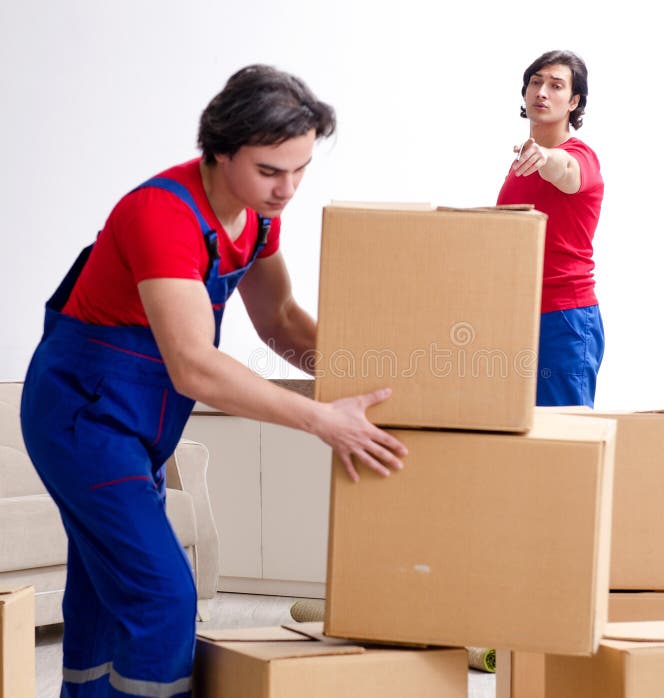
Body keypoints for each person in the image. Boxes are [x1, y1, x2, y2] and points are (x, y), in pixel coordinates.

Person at [20, 64, 407, 698]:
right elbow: (194, 365)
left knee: (105, 591)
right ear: (221, 150)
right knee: (162, 596)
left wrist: (371, 382)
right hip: (82, 418)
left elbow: (280, 319)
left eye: (301, 169)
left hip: (136, 421)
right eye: (270, 170)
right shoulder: (162, 215)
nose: (287, 189)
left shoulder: (256, 218)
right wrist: (321, 418)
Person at [496, 49, 604, 407]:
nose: (542, 92)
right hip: (520, 314)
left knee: (562, 433)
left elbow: (565, 169)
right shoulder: (520, 165)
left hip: (564, 318)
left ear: (574, 101)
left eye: (556, 86)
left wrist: (546, 157)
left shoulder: (580, 156)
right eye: (536, 82)